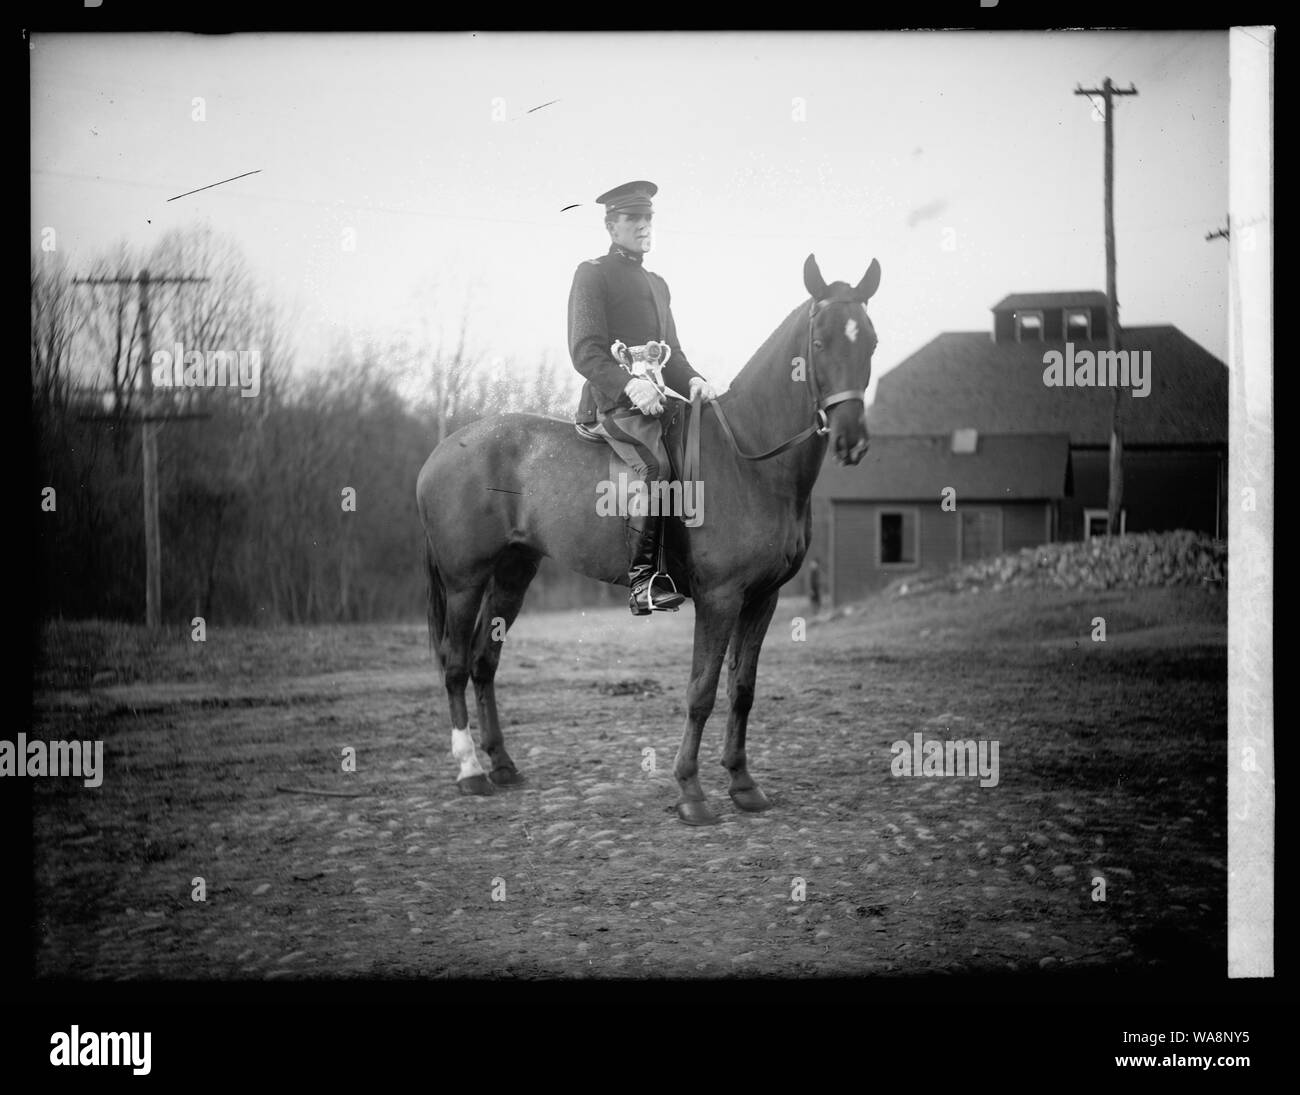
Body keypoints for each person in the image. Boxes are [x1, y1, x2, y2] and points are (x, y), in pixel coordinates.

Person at [568, 180, 716, 615]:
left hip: (657, 403)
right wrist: (628, 385)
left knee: (703, 449)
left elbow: (673, 357)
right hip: (610, 405)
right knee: (656, 466)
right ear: (612, 225)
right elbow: (585, 350)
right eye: (634, 219)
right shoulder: (592, 273)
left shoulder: (657, 284)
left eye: (648, 218)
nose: (644, 226)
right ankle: (642, 582)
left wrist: (694, 381)